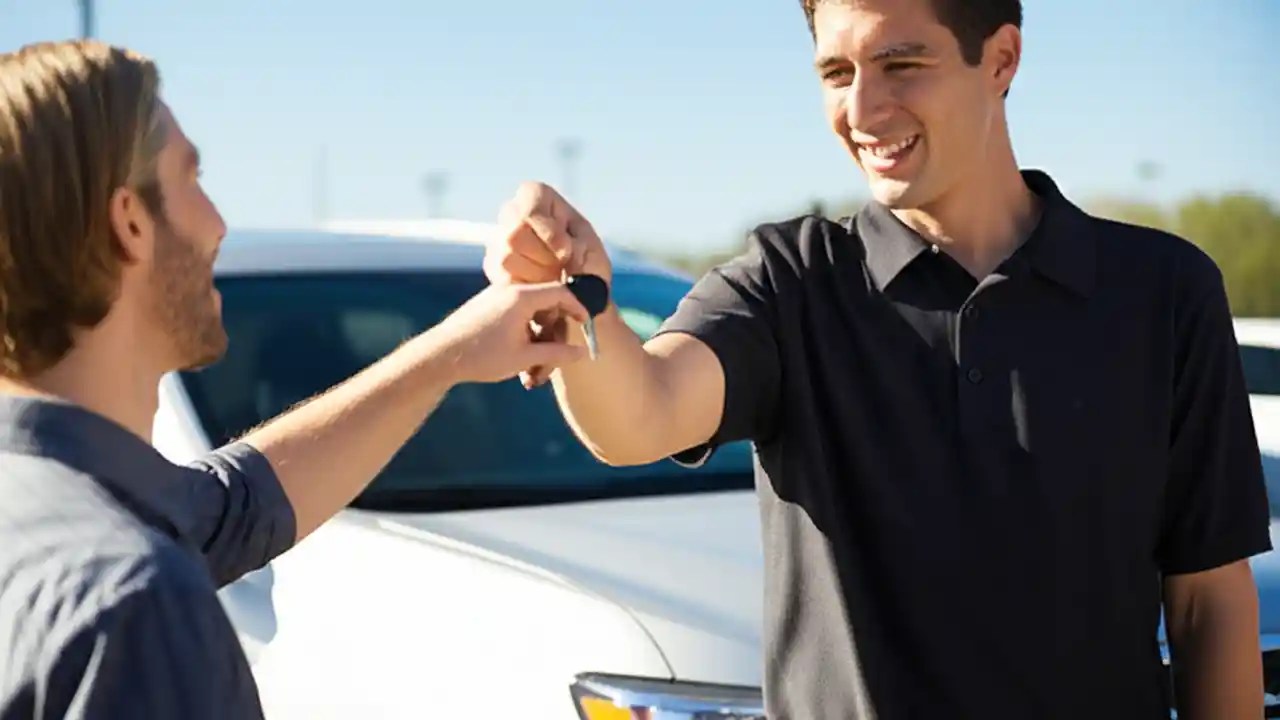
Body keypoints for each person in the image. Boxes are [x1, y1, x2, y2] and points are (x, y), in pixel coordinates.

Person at [484, 0, 1272, 717]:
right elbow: (640, 415)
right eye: (837, 72)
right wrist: (577, 300)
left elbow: (1207, 599)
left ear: (1001, 60)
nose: (862, 109)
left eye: (901, 64)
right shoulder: (787, 284)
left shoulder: (1161, 290)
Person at [0, 40, 589, 719]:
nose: (218, 223)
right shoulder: (135, 604)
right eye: (192, 180)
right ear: (130, 222)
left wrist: (449, 355)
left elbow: (236, 505)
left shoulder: (59, 514)